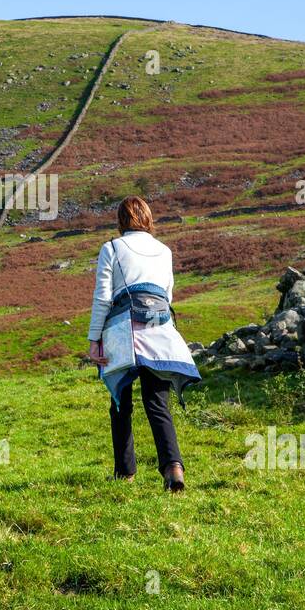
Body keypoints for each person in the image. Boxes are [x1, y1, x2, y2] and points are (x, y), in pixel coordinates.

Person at [87, 196, 200, 492]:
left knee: (120, 400)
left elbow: (102, 298)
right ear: (148, 218)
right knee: (157, 401)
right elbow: (168, 295)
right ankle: (173, 468)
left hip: (123, 329)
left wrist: (94, 339)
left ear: (121, 221)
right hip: (159, 328)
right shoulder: (164, 251)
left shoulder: (111, 248)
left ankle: (125, 472)